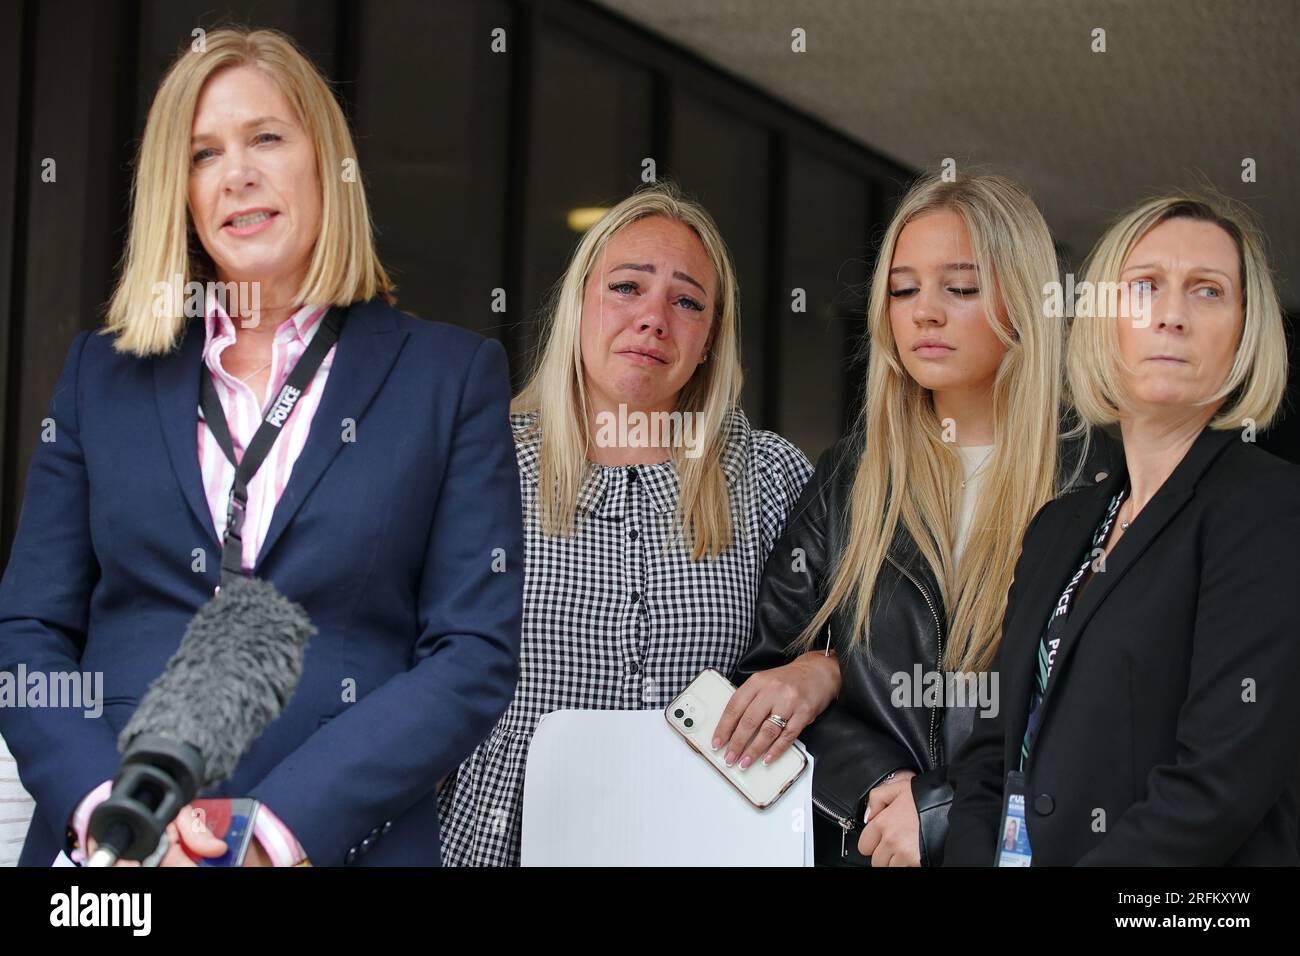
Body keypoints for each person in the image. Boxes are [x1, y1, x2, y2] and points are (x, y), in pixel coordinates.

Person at [0, 28, 522, 867]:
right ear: (182, 191)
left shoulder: (451, 377)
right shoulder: (100, 374)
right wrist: (107, 806)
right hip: (116, 856)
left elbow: (471, 654)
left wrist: (270, 836)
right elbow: (28, 632)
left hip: (338, 844)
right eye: (203, 154)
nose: (236, 173)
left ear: (329, 163)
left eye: (266, 138)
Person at [724, 174, 1116, 866]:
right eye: (903, 289)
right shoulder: (850, 477)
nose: (924, 313)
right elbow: (766, 680)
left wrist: (941, 811)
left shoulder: (1101, 480)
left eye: (959, 288)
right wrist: (873, 779)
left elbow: (1112, 711)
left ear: (1024, 303)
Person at [438, 184, 812, 865]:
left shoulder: (765, 476)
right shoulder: (478, 460)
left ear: (709, 341)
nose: (653, 318)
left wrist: (819, 670)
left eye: (687, 301)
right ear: (579, 305)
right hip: (496, 846)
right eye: (627, 287)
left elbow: (863, 639)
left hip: (701, 845)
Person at [945, 191, 1300, 866]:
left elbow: (1217, 787)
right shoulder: (1059, 526)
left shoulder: (1269, 509)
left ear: (1245, 330)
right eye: (1145, 288)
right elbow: (991, 752)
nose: (1171, 316)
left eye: (1207, 292)